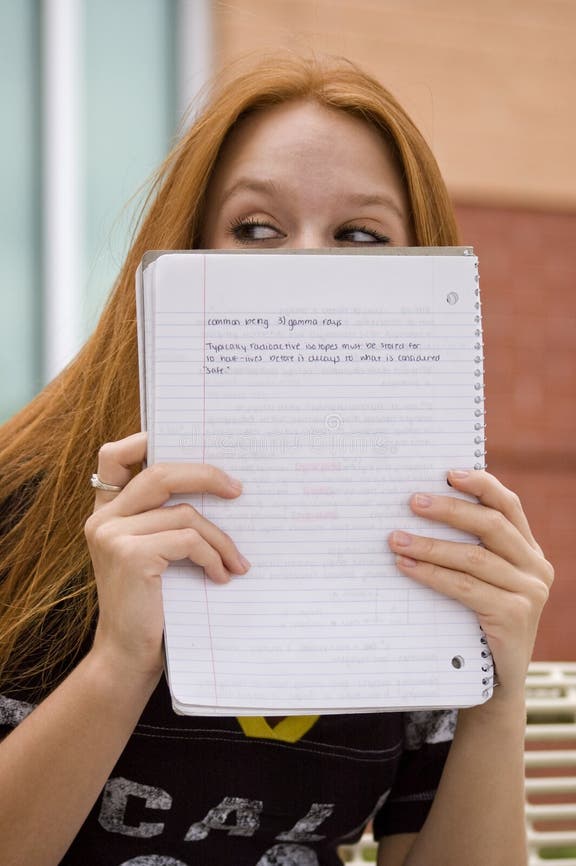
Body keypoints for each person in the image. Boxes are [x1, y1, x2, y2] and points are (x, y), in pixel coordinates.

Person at [0, 53, 553, 866]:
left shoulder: (431, 546)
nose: (306, 267)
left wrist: (497, 701)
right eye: (257, 229)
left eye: (360, 236)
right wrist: (119, 662)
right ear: (187, 245)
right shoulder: (22, 499)